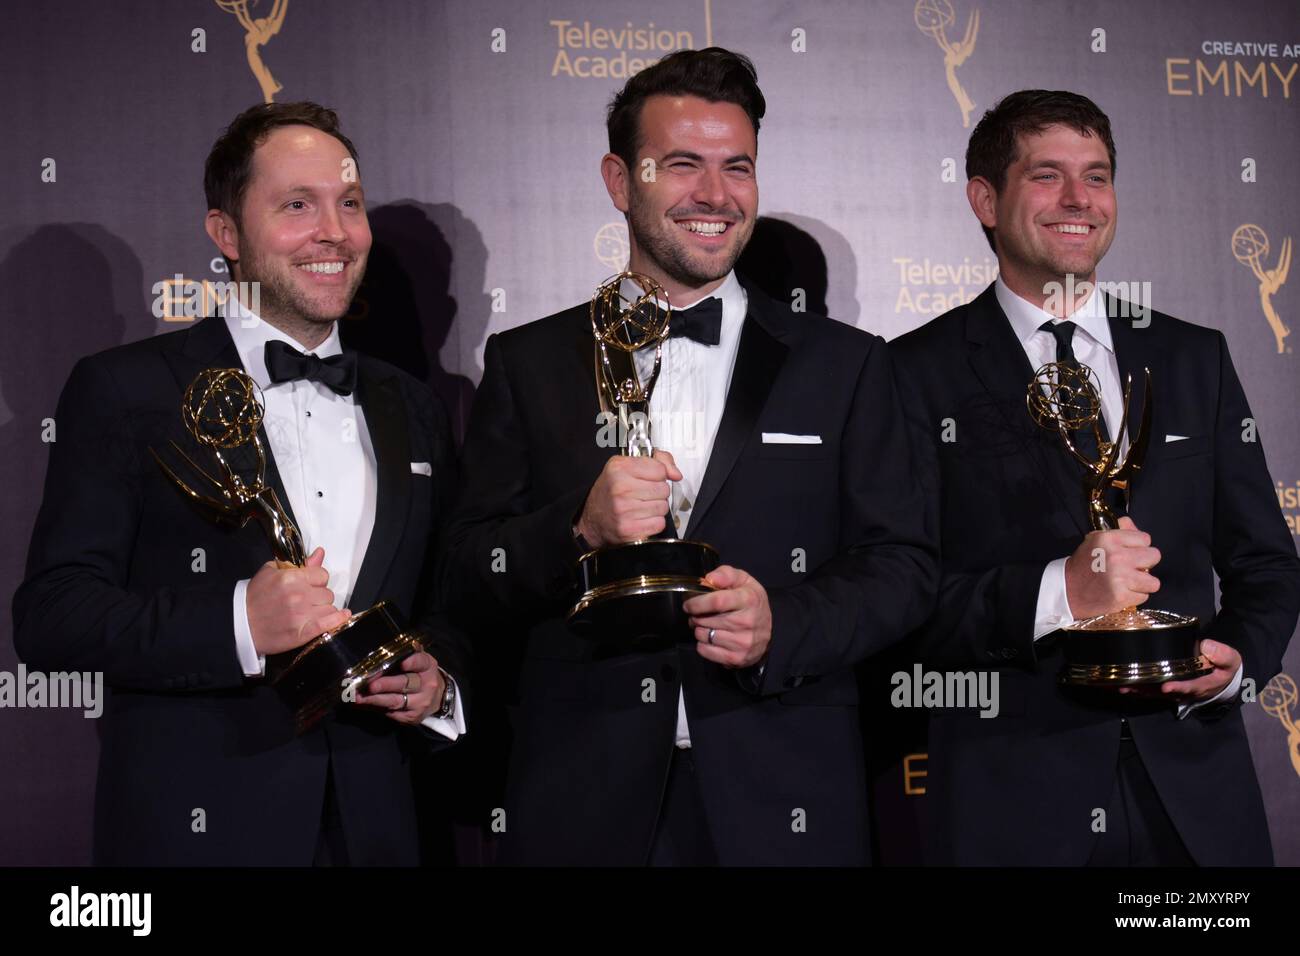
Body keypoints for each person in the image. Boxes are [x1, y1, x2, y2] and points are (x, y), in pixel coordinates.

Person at [443, 48, 936, 865]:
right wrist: (576, 530)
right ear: (618, 180)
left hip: (786, 796)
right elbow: (465, 572)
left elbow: (906, 565)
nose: (715, 195)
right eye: (682, 165)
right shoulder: (529, 362)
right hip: (582, 802)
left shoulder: (846, 365)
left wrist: (786, 623)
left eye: (737, 167)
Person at [13, 101, 468, 866]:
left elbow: (453, 597)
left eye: (348, 203)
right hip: (200, 834)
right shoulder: (127, 390)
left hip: (383, 829)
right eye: (297, 205)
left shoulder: (412, 404)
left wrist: (439, 678)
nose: (334, 230)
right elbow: (52, 616)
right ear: (226, 234)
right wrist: (240, 624)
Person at [891, 89, 1300, 865]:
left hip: (1196, 801)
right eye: (1047, 175)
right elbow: (897, 596)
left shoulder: (1192, 357)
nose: (1079, 200)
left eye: (1098, 176)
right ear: (985, 198)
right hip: (1012, 803)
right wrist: (1060, 592)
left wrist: (1236, 663)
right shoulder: (911, 373)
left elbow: (1267, 563)